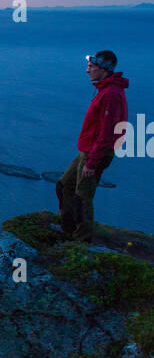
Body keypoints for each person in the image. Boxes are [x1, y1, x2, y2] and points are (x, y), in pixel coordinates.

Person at [56, 50, 129, 241]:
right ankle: (69, 229)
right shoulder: (106, 90)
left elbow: (108, 132)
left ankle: (81, 239)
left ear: (103, 69)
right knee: (64, 185)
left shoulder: (111, 94)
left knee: (82, 197)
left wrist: (92, 162)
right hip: (88, 150)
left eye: (91, 66)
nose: (87, 70)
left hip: (95, 152)